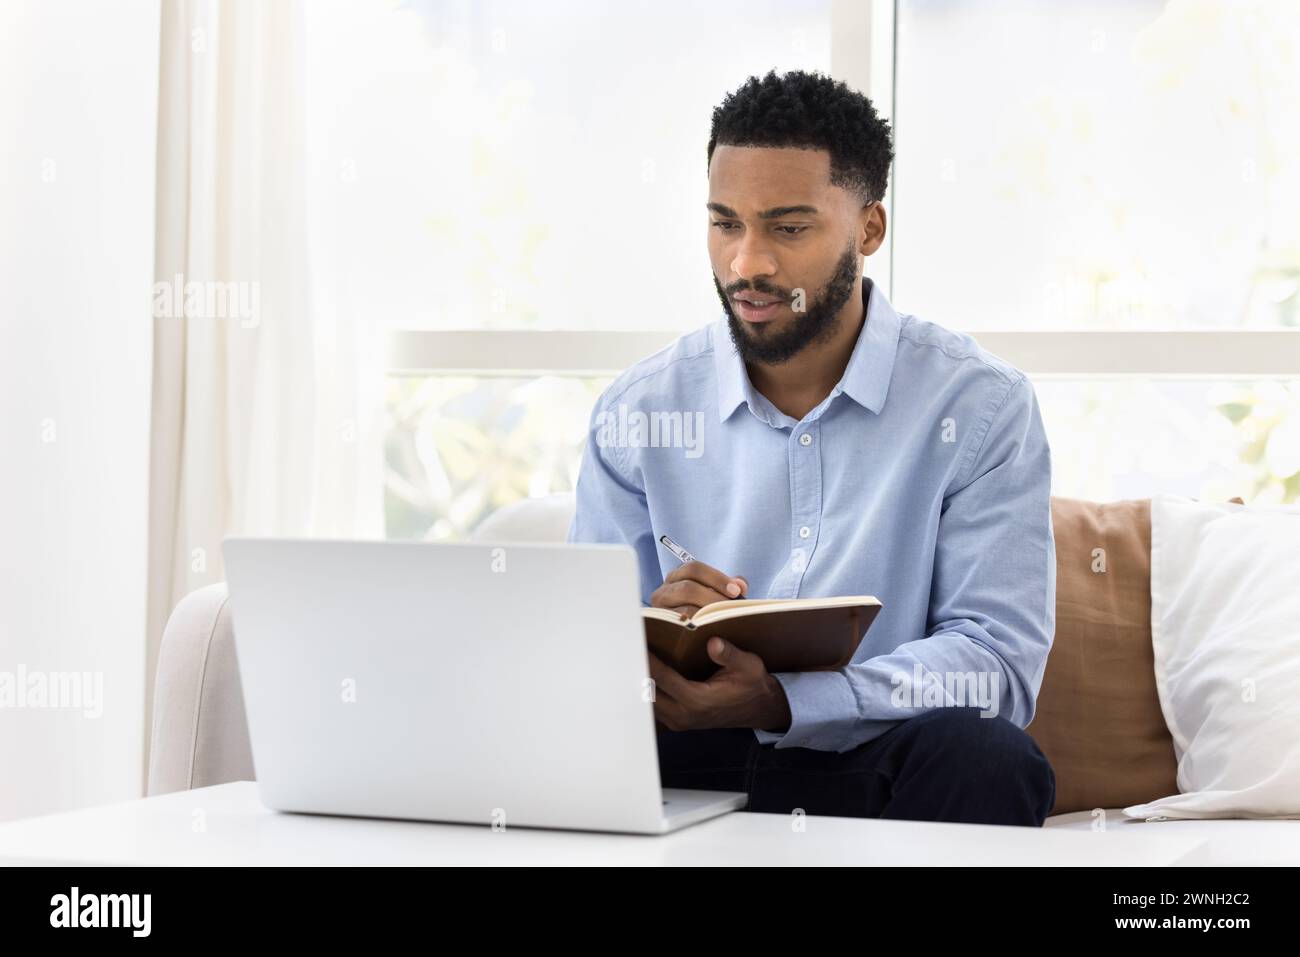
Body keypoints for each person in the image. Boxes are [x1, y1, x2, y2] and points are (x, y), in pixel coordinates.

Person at [568, 69, 1056, 826]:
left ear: (868, 230)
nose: (747, 263)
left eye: (788, 228)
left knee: (990, 758)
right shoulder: (638, 412)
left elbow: (997, 667)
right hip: (693, 748)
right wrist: (656, 641)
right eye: (725, 223)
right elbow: (582, 660)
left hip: (873, 756)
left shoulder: (980, 406)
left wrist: (790, 699)